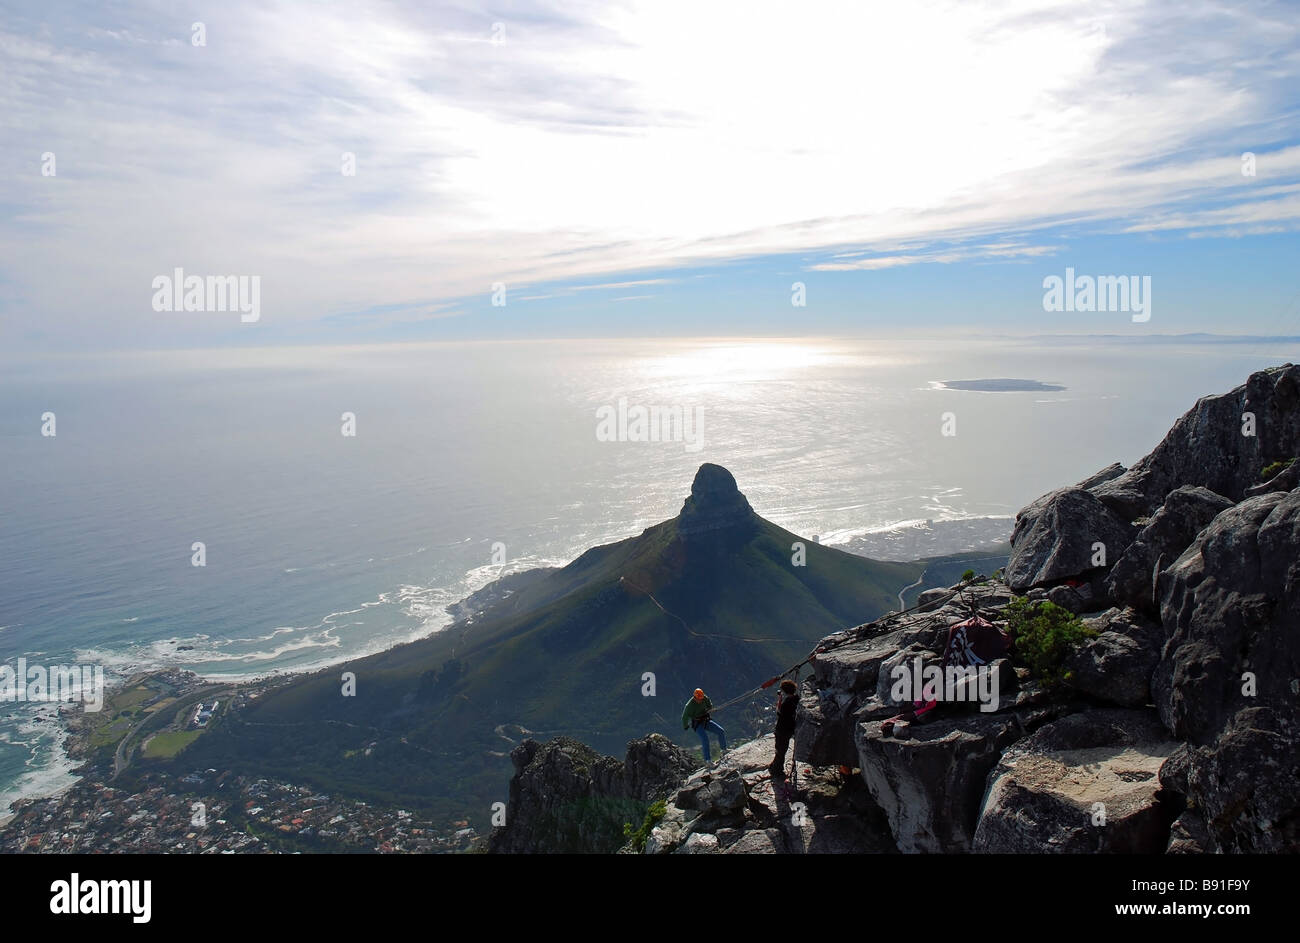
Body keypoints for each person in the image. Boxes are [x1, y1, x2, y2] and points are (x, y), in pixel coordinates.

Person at [682, 688, 727, 763]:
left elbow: (709, 703)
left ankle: (723, 750)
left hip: (705, 720)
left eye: (701, 699)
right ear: (694, 697)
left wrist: (710, 708)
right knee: (705, 739)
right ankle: (708, 760)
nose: (700, 700)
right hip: (697, 724)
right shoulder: (689, 705)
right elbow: (684, 717)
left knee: (720, 731)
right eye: (699, 699)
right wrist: (685, 726)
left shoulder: (704, 698)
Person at [769, 679, 798, 777]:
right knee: (782, 749)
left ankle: (776, 770)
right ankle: (774, 765)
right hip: (790, 729)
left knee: (780, 750)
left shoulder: (786, 703)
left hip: (782, 729)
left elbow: (779, 712)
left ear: (784, 691)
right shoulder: (797, 699)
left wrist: (780, 699)